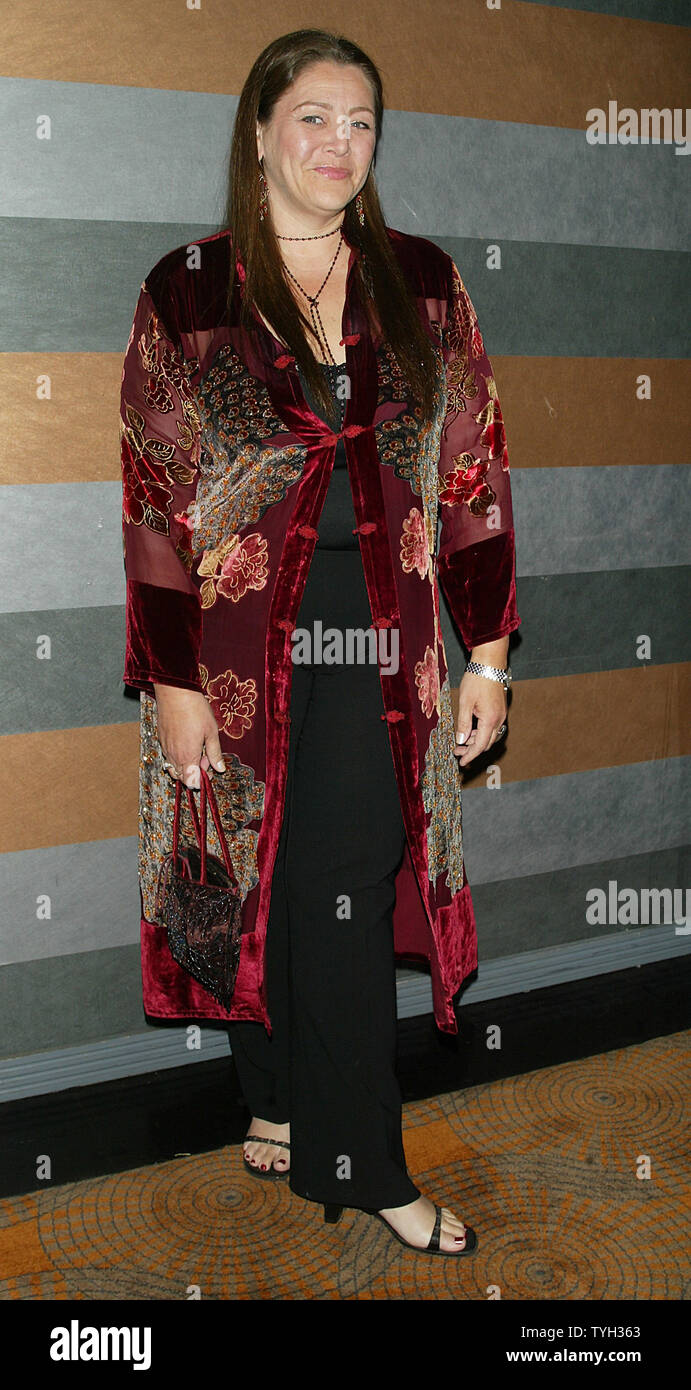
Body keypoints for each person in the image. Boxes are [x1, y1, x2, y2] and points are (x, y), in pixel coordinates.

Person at [119, 28, 520, 1258]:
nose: (337, 144)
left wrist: (488, 652)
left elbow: (473, 472)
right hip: (235, 646)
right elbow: (150, 498)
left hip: (380, 643)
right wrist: (171, 678)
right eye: (311, 117)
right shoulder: (189, 287)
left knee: (342, 879)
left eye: (359, 123)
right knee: (249, 868)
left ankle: (361, 1159)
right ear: (259, 131)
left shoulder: (426, 280)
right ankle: (282, 1097)